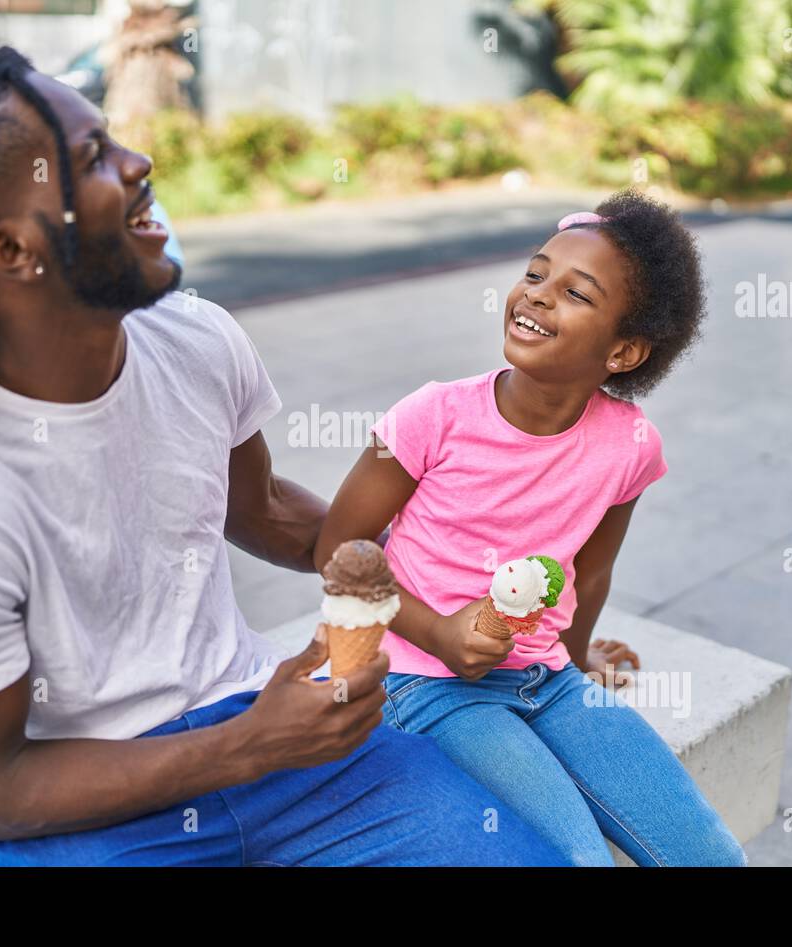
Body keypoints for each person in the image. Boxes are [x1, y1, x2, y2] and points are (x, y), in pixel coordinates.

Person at [0, 45, 566, 866]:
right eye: (92, 160)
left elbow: (260, 509)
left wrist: (431, 580)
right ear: (10, 251)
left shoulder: (192, 338)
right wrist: (248, 748)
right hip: (89, 813)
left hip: (278, 738)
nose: (138, 162)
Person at [315, 193, 749, 866]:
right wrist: (438, 633)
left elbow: (591, 571)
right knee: (579, 860)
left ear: (624, 350)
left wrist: (577, 661)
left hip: (545, 680)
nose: (537, 296)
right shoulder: (433, 414)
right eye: (536, 273)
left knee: (710, 855)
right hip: (423, 681)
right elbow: (339, 553)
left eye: (576, 293)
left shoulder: (630, 445)